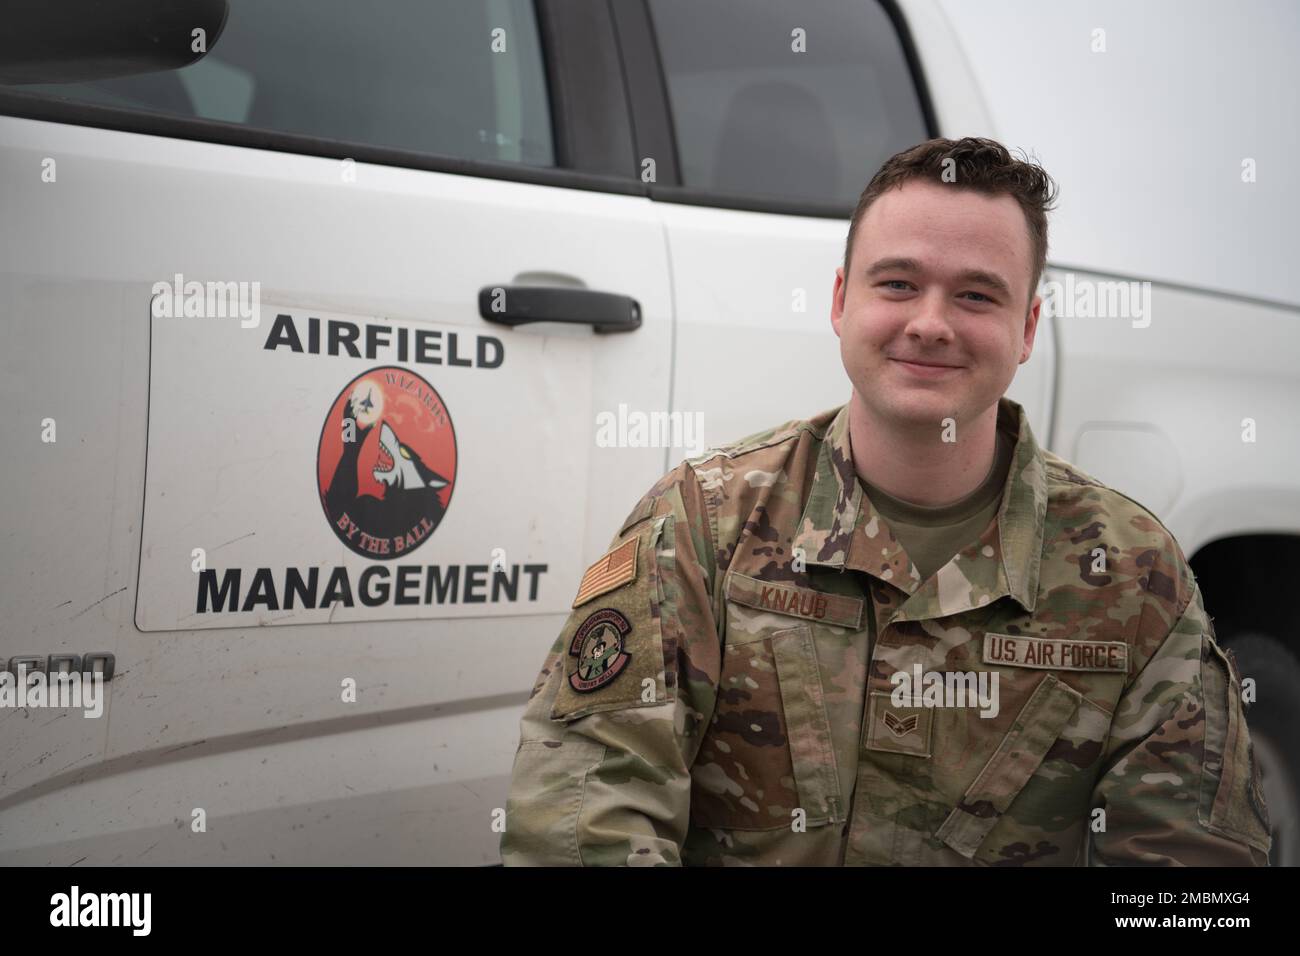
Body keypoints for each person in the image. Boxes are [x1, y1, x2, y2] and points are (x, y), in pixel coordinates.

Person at [499, 137, 1272, 866]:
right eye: (897, 283)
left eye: (976, 295)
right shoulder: (703, 525)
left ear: (1027, 327)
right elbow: (585, 807)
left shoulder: (1133, 577)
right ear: (841, 300)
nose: (930, 323)